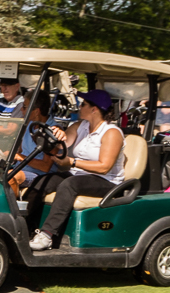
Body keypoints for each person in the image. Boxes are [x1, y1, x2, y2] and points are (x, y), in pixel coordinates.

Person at [27, 89, 125, 251]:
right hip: (79, 176)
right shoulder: (81, 126)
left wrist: (72, 162)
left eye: (84, 104)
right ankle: (24, 226)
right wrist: (55, 134)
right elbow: (61, 145)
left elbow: (104, 166)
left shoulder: (111, 133)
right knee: (43, 181)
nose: (79, 107)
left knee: (69, 184)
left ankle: (47, 235)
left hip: (107, 181)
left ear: (94, 109)